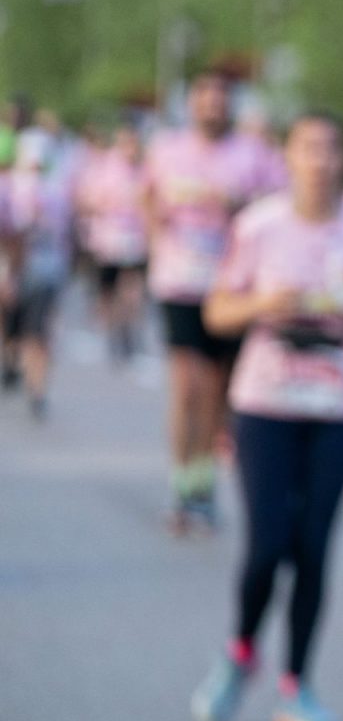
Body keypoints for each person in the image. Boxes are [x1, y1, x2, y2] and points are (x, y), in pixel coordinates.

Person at [189, 111, 343, 721]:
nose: (320, 161)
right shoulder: (259, 226)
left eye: (332, 149)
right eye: (309, 148)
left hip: (340, 407)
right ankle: (239, 652)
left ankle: (297, 686)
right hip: (266, 403)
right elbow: (217, 313)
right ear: (288, 156)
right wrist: (263, 303)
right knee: (266, 546)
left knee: (312, 545)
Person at [146, 71, 285, 532]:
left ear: (231, 106)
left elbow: (276, 209)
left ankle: (203, 483)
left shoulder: (254, 155)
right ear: (192, 104)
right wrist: (156, 235)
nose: (212, 107)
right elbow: (147, 197)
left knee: (215, 390)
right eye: (204, 99)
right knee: (185, 385)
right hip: (179, 279)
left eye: (220, 100)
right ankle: (180, 481)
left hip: (230, 287)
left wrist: (239, 204)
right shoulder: (167, 149)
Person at [5, 140, 74, 420]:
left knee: (31, 332)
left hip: (31, 272)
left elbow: (15, 237)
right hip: (48, 272)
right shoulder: (55, 191)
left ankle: (32, 383)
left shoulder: (15, 189)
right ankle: (34, 382)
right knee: (36, 333)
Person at [75, 123, 151, 365]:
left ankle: (128, 332)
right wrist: (106, 206)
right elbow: (85, 200)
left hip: (136, 242)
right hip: (108, 242)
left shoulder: (145, 169)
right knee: (108, 292)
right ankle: (112, 333)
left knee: (132, 289)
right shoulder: (104, 168)